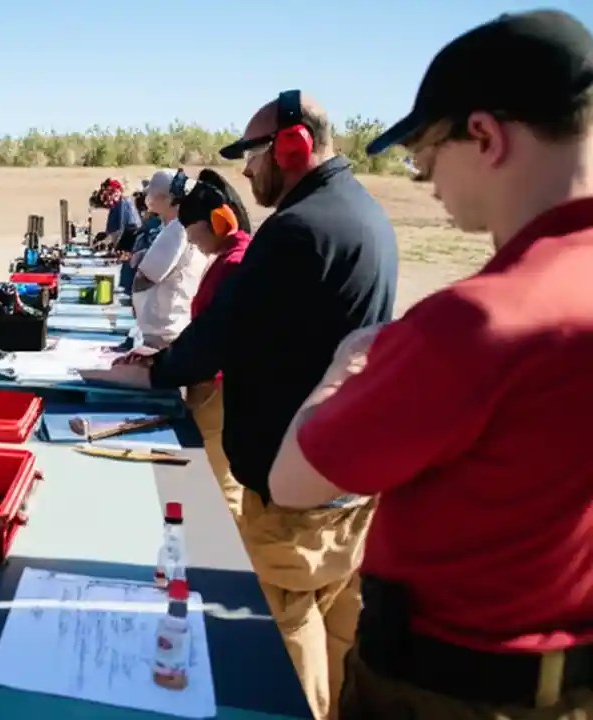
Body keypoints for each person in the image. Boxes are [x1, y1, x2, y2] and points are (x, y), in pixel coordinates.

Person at [268, 10, 593, 718]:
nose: (428, 181)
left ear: (484, 136)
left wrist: (343, 370)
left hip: (445, 690)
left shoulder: (479, 322)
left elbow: (294, 481)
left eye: (425, 153)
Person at [81, 90, 399, 719]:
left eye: (253, 154)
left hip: (294, 486)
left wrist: (157, 369)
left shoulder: (297, 229)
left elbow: (223, 332)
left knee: (285, 637)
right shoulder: (365, 214)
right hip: (351, 480)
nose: (247, 171)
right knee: (337, 625)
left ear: (292, 146)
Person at [174, 168, 253, 517]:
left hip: (217, 391)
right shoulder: (227, 259)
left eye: (195, 236)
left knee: (222, 488)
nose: (193, 245)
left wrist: (165, 365)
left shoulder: (234, 265)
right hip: (211, 387)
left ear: (220, 221)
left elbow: (215, 335)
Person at [129, 168, 206, 349]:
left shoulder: (177, 229)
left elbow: (147, 276)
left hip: (165, 331)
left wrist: (138, 287)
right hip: (169, 327)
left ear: (167, 198)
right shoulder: (176, 227)